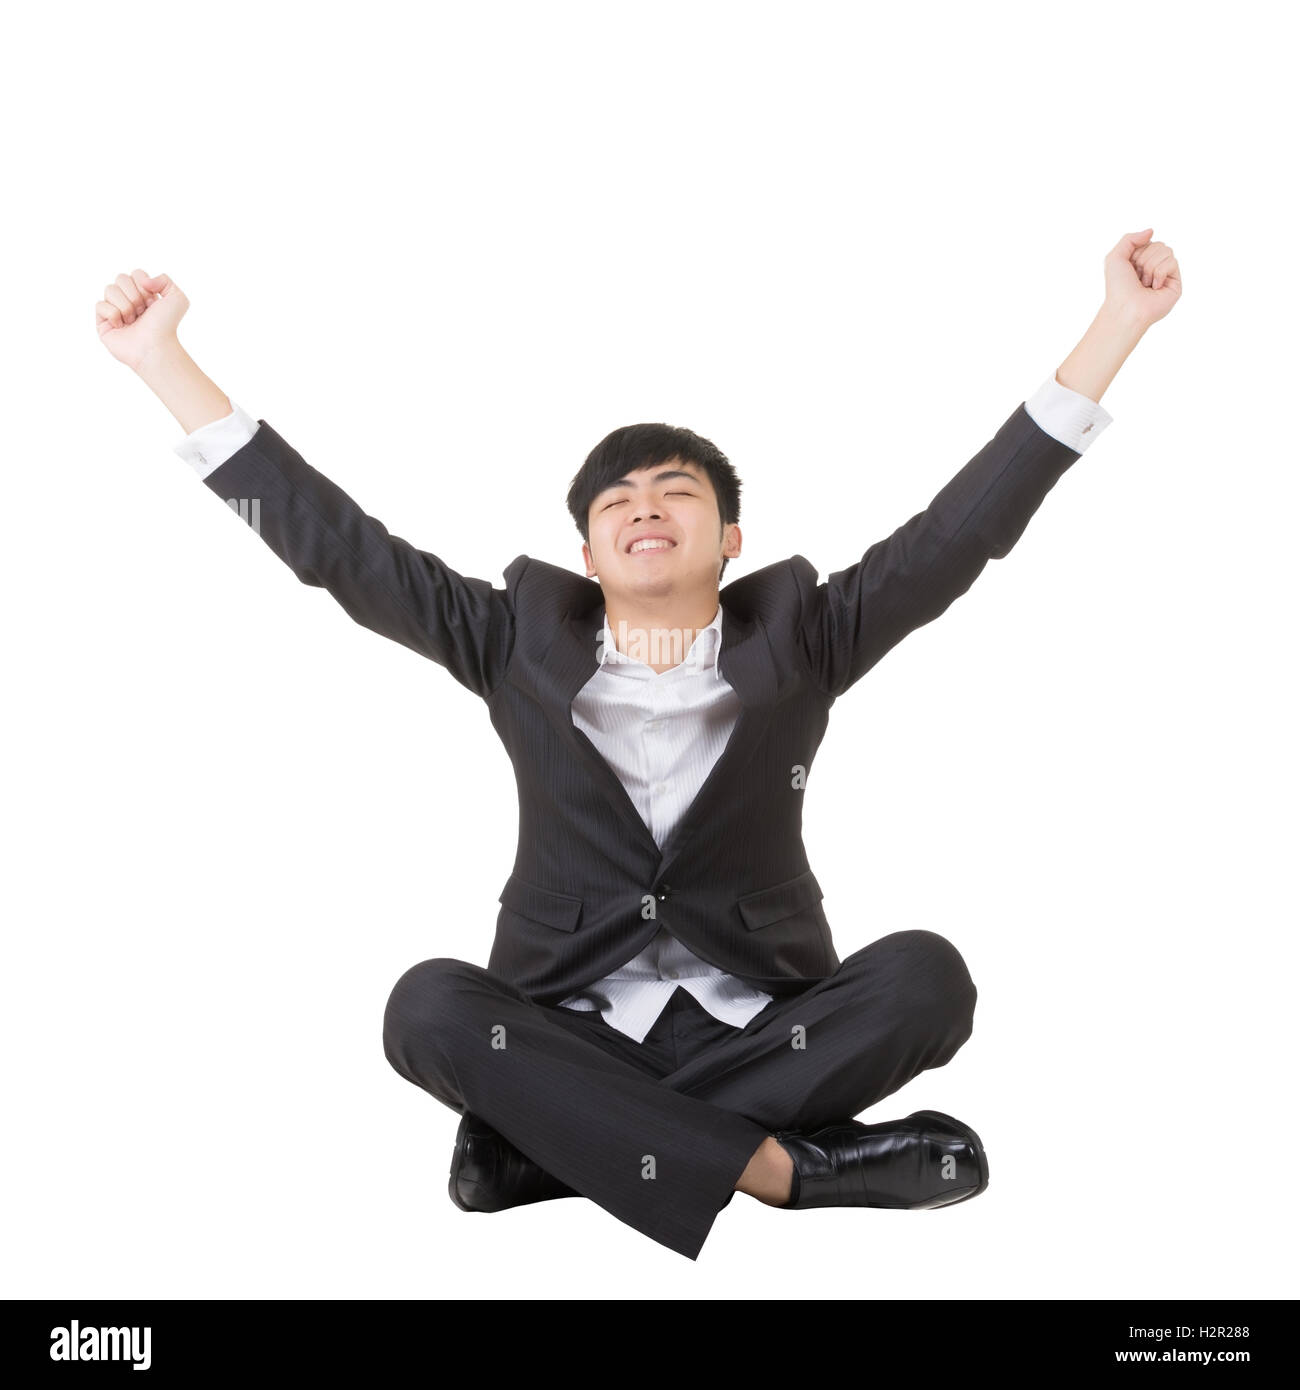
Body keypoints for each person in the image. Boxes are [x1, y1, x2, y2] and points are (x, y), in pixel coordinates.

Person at [94, 230, 1182, 1261]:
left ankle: (558, 1149)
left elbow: (960, 533)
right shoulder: (508, 638)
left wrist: (1114, 325)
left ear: (730, 538)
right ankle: (777, 1170)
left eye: (677, 492)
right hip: (570, 1026)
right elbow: (335, 546)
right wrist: (162, 361)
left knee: (928, 981)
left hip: (767, 1023)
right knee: (425, 1006)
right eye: (618, 499)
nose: (646, 507)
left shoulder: (807, 634)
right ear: (586, 548)